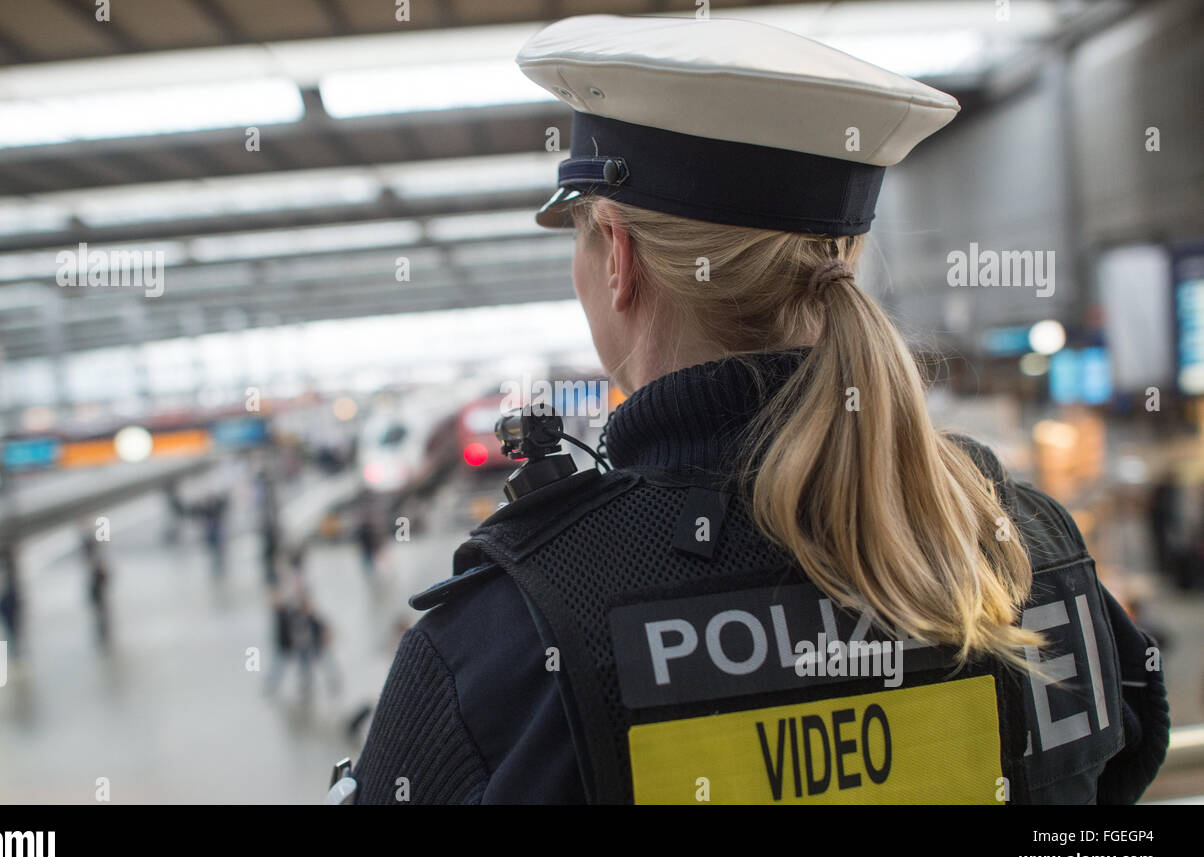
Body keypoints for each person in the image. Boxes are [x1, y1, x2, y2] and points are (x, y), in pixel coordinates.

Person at [351, 15, 1169, 804]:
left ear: (618, 258)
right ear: (844, 252)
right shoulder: (1031, 552)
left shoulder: (507, 646)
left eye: (579, 235)